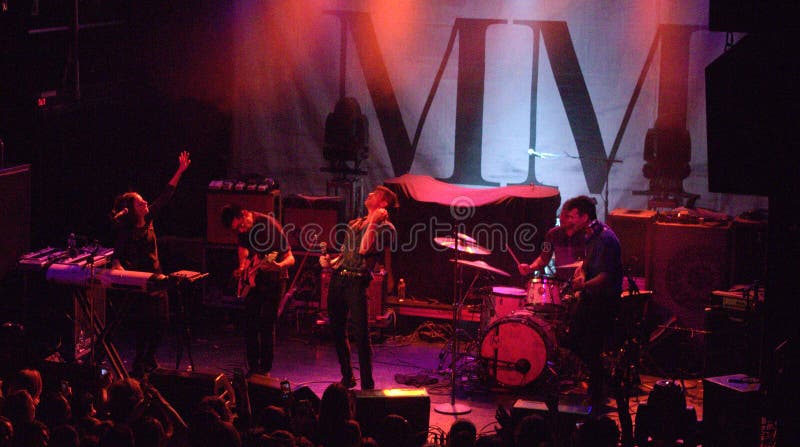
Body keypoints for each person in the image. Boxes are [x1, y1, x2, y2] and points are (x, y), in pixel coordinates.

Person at [110, 151, 191, 377]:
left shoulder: (149, 217)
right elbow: (116, 256)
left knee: (162, 322)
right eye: (139, 202)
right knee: (145, 325)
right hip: (141, 283)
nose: (145, 202)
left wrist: (180, 170)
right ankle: (140, 361)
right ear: (131, 209)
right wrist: (119, 269)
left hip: (158, 278)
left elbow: (166, 195)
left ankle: (149, 357)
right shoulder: (126, 231)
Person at [559, 196, 631, 443]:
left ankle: (601, 390)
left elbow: (606, 277)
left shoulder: (605, 239)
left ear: (584, 216)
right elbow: (591, 265)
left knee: (587, 345)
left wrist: (582, 285)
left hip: (603, 303)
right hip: (593, 299)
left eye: (572, 216)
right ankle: (599, 386)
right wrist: (582, 270)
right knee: (575, 341)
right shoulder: (591, 235)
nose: (569, 221)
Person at [319, 186, 398, 390]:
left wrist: (373, 221)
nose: (370, 194)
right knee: (337, 330)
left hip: (357, 282)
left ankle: (367, 385)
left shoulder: (386, 228)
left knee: (361, 335)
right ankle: (347, 376)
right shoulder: (355, 222)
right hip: (339, 279)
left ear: (384, 203)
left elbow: (364, 248)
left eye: (375, 194)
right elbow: (346, 254)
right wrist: (331, 262)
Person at [221, 203, 295, 377]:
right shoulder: (242, 230)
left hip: (275, 279)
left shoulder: (269, 226)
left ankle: (265, 369)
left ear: (245, 213)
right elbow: (243, 247)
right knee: (250, 323)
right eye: (236, 229)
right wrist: (242, 266)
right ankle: (253, 367)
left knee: (267, 323)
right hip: (255, 279)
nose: (240, 230)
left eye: (241, 225)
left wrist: (279, 265)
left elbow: (290, 258)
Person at [517, 208, 584, 282]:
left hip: (582, 282)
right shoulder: (552, 234)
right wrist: (530, 268)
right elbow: (543, 258)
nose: (561, 219)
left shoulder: (585, 235)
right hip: (560, 281)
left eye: (567, 216)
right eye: (561, 215)